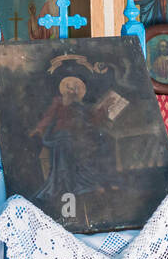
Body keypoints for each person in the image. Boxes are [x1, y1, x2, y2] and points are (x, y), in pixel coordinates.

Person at [28, 75, 113, 203]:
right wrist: (39, 128)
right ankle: (68, 182)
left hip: (79, 134)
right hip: (62, 135)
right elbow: (48, 116)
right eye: (69, 89)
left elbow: (92, 119)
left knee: (91, 145)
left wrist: (104, 107)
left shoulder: (81, 106)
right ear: (65, 90)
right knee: (67, 144)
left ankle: (86, 181)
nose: (72, 92)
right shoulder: (59, 102)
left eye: (75, 89)